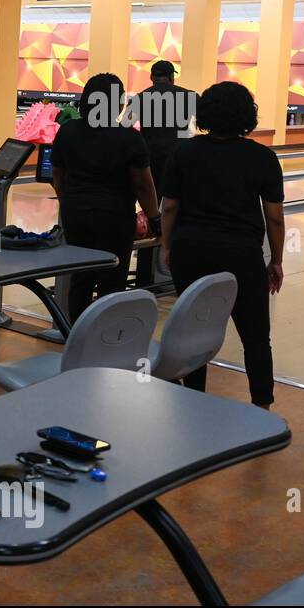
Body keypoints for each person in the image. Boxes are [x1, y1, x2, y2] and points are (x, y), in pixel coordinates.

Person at [160, 81, 284, 409]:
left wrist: (166, 245)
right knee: (256, 335)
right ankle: (262, 406)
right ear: (248, 115)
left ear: (205, 113)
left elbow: (169, 206)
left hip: (191, 251)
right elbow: (274, 218)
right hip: (241, 255)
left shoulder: (183, 152)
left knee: (193, 328)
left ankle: (193, 401)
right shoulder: (263, 157)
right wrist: (277, 260)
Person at [50, 72, 162, 322]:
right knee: (112, 278)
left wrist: (70, 203)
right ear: (118, 103)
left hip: (76, 214)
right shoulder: (129, 137)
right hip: (114, 217)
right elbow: (143, 185)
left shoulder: (67, 132)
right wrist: (155, 219)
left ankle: (76, 335)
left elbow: (58, 177)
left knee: (81, 277)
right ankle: (104, 339)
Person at [136, 59, 195, 188]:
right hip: (179, 156)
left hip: (149, 159)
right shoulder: (189, 96)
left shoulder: (140, 98)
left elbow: (126, 127)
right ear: (172, 77)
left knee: (153, 198)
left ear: (151, 77)